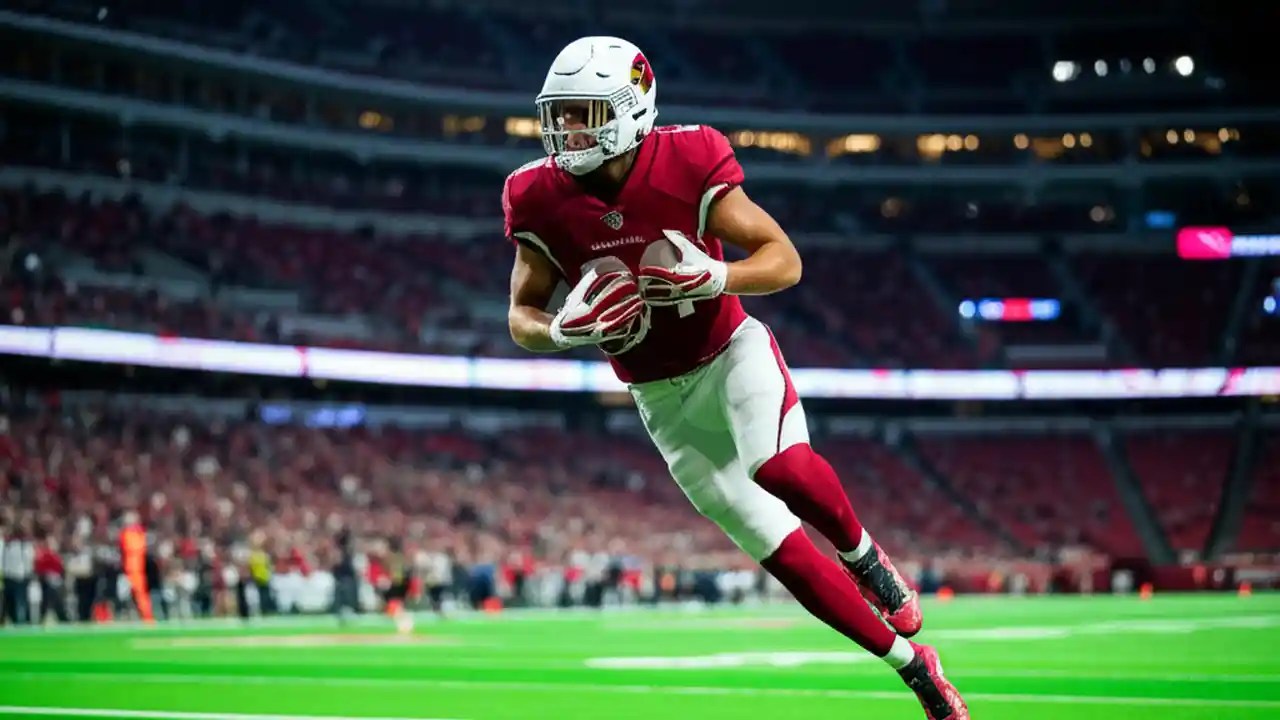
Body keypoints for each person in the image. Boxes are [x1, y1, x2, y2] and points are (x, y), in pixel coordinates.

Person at [503, 36, 967, 719]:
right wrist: (561, 331)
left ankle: (865, 557)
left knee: (778, 468)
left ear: (632, 110)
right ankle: (914, 670)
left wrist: (718, 274)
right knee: (782, 554)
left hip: (730, 354)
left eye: (584, 113)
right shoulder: (535, 194)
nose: (567, 130)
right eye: (561, 114)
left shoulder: (687, 157)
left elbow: (784, 260)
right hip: (656, 397)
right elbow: (520, 314)